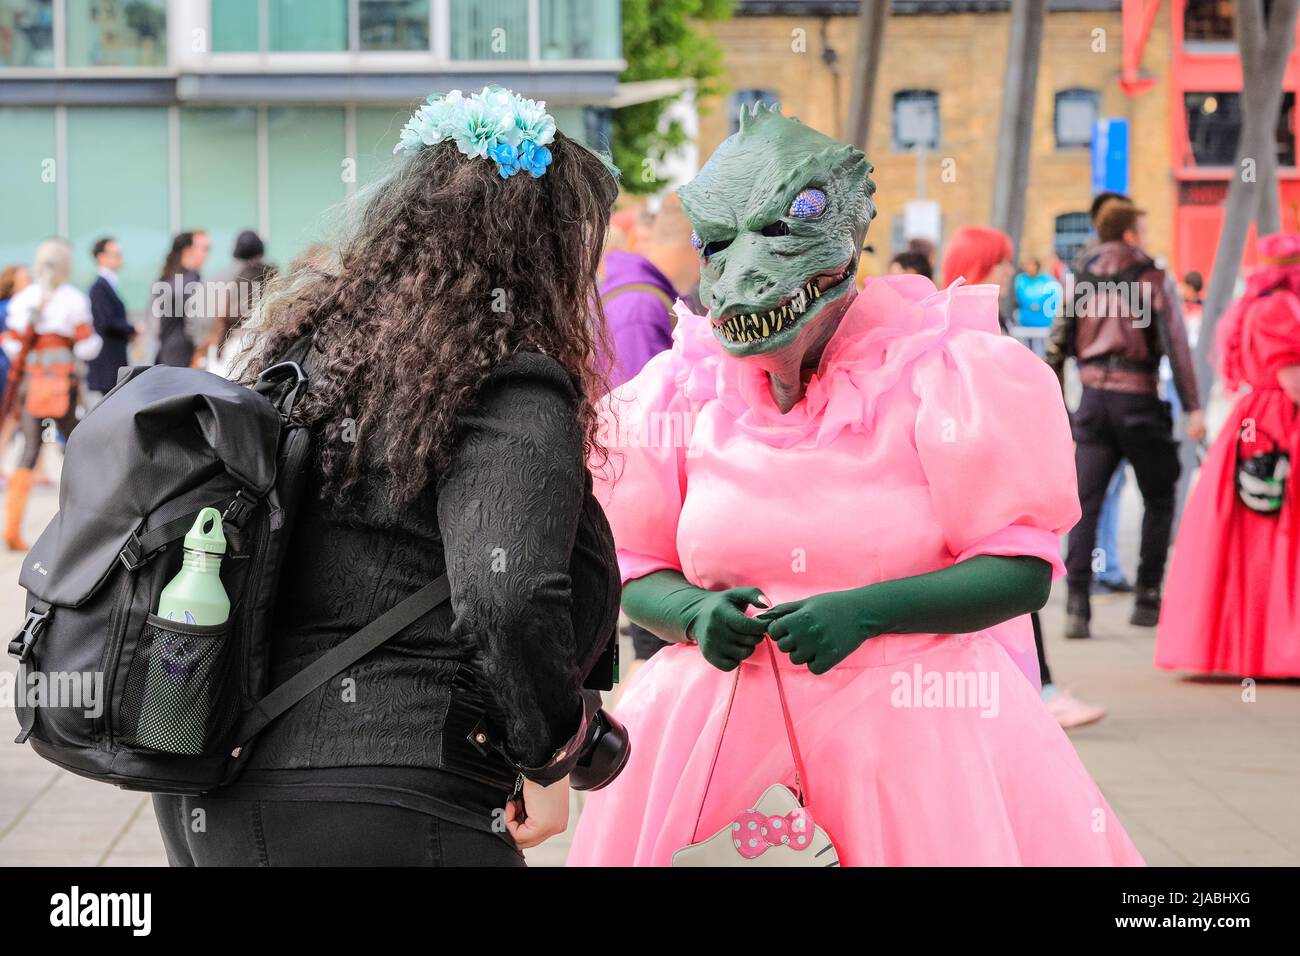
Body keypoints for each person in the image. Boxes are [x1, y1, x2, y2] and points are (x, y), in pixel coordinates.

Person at [568, 106, 1142, 865]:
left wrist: (867, 614)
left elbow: (1022, 569)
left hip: (919, 743)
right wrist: (694, 612)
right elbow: (634, 566)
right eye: (717, 243)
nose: (741, 271)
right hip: (714, 745)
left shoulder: (947, 377)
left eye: (778, 232)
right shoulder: (682, 392)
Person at [152, 87, 624, 867]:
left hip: (223, 785)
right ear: (538, 250)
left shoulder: (305, 357)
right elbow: (506, 594)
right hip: (389, 793)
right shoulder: (509, 379)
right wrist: (549, 753)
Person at [942, 226, 1106, 730]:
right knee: (1014, 579)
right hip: (987, 482)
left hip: (984, 479)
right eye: (1005, 262)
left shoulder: (959, 318)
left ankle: (1034, 687)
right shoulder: (972, 323)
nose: (1013, 271)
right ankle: (1040, 689)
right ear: (987, 264)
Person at [1047, 200, 1205, 638]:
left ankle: (1077, 606)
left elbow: (1056, 345)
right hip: (1139, 402)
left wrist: (1060, 409)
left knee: (1086, 504)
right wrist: (1193, 407)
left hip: (1094, 403)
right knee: (1159, 495)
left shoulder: (1080, 275)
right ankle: (1148, 597)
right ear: (1131, 234)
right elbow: (1176, 343)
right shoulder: (1150, 275)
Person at [1157, 233, 1300, 677]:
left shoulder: (1250, 306)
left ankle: (1242, 649)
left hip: (1252, 419)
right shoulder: (1283, 309)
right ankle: (1280, 649)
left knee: (1246, 537)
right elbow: (1293, 378)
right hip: (1283, 421)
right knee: (1279, 534)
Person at [1, 239, 101, 550]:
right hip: (63, 388)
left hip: (32, 387)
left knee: (29, 451)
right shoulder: (73, 300)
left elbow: (13, 345)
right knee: (77, 449)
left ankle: (12, 528)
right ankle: (84, 524)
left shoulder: (24, 300)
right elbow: (89, 345)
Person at [199, 229, 275, 376]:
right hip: (262, 345)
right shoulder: (271, 273)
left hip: (226, 347)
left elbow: (204, 321)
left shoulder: (218, 277)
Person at [86, 237, 134, 404]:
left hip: (114, 360)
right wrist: (132, 329)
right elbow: (106, 322)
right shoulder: (98, 288)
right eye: (115, 254)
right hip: (107, 362)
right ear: (101, 257)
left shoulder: (108, 285)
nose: (119, 259)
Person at [152, 229, 210, 367]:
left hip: (166, 354)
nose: (206, 254)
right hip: (186, 356)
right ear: (188, 250)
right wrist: (200, 353)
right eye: (204, 249)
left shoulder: (166, 278)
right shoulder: (191, 280)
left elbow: (154, 324)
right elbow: (195, 324)